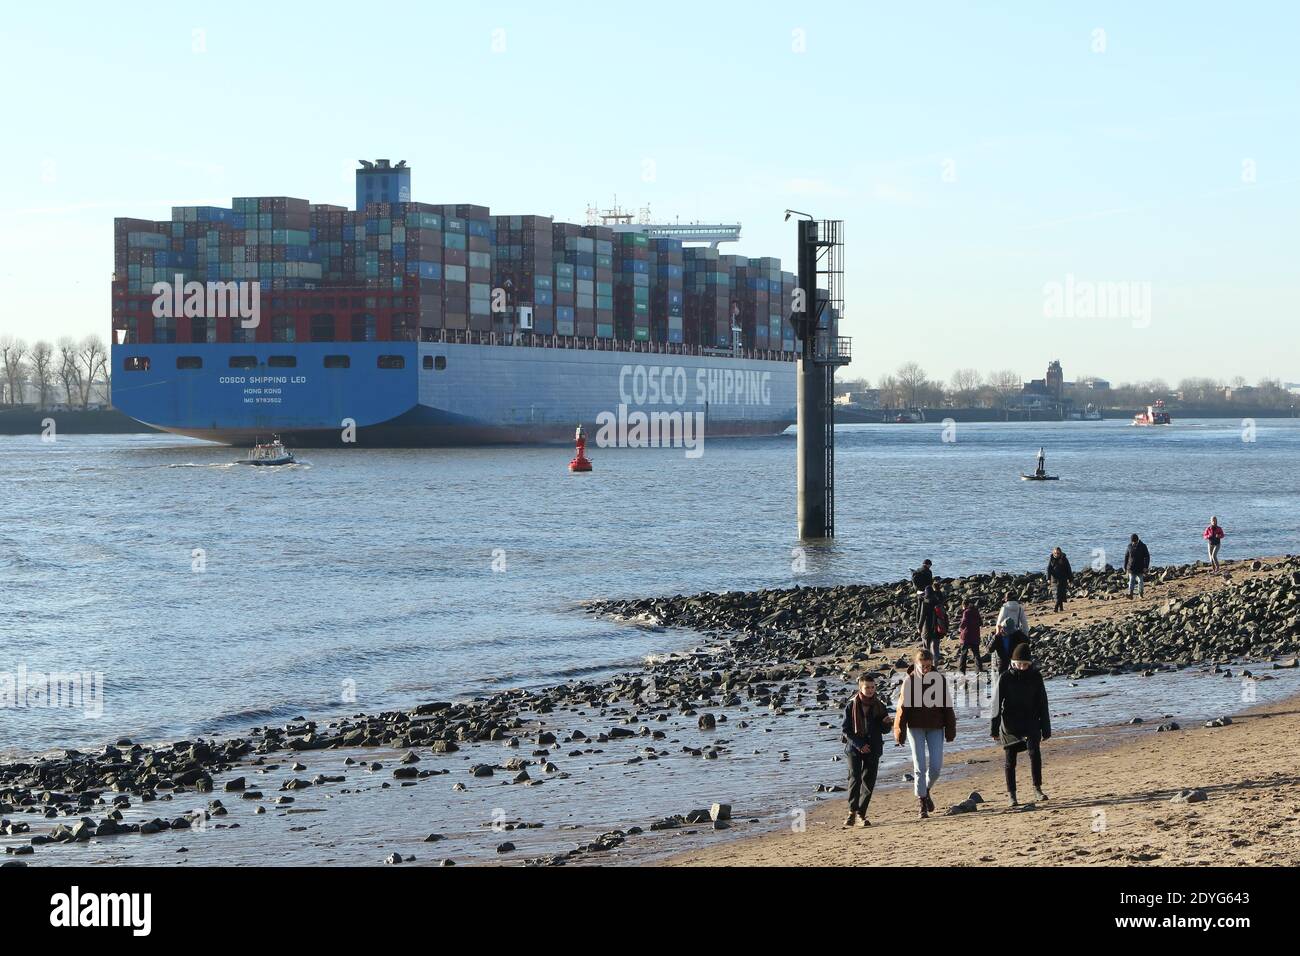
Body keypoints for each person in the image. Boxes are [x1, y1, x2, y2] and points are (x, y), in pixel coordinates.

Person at [893, 649, 957, 819]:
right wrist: (899, 733)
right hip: (915, 728)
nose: (926, 669)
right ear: (916, 665)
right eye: (923, 666)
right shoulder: (909, 682)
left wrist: (950, 730)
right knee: (919, 767)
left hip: (936, 727)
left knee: (936, 768)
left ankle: (926, 790)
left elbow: (947, 707)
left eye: (929, 666)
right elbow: (902, 709)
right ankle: (922, 802)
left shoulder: (939, 680)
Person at [990, 643, 1052, 807]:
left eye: (1026, 664)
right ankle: (1012, 795)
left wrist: (1046, 728)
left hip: (1031, 720)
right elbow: (995, 704)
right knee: (1010, 761)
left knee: (1034, 753)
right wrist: (994, 729)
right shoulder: (1005, 677)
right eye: (1019, 664)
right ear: (1013, 662)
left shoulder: (1036, 677)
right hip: (1010, 724)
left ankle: (1037, 789)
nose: (1022, 667)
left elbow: (1043, 703)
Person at [840, 675, 890, 827]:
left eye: (872, 687)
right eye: (867, 687)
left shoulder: (880, 706)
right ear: (860, 688)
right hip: (854, 748)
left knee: (869, 781)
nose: (870, 690)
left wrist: (887, 724)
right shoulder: (851, 705)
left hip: (874, 747)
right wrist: (860, 744)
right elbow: (846, 730)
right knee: (855, 778)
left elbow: (884, 730)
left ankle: (861, 814)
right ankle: (851, 813)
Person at [917, 581, 944, 664]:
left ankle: (926, 666)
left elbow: (922, 616)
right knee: (935, 648)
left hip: (926, 629)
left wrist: (919, 627)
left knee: (926, 649)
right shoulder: (938, 601)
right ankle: (935, 665)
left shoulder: (925, 603)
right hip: (936, 627)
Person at [956, 599, 982, 676]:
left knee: (964, 654)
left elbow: (964, 622)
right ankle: (979, 670)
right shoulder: (976, 611)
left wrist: (960, 629)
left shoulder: (966, 612)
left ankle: (961, 671)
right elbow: (980, 622)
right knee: (976, 654)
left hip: (966, 636)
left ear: (965, 605)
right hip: (975, 636)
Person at [1046, 546, 1073, 613]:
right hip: (1054, 579)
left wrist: (1070, 579)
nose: (1056, 555)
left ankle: (1056, 608)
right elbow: (1048, 569)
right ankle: (1061, 608)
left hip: (1063, 579)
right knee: (1057, 594)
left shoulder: (1064, 559)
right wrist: (1048, 578)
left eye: (1058, 553)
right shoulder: (1051, 559)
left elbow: (1068, 569)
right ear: (1053, 553)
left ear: (1060, 553)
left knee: (1060, 593)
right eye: (1055, 553)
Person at [1124, 533, 1151, 598]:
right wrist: (1125, 567)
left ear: (1137, 540)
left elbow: (1147, 556)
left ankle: (1140, 594)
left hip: (1140, 567)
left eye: (1135, 542)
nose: (1133, 543)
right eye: (1132, 542)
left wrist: (1146, 567)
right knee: (1131, 581)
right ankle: (1130, 594)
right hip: (1131, 567)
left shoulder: (1143, 546)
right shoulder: (1129, 546)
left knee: (1140, 581)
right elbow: (1126, 556)